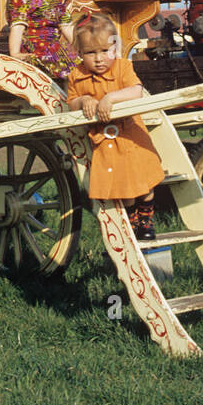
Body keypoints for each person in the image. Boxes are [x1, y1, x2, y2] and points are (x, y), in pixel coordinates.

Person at [66, 13, 164, 240]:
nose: (99, 59)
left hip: (131, 136)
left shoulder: (122, 67)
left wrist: (110, 98)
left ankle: (147, 220)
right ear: (80, 53)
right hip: (106, 140)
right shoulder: (77, 76)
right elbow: (72, 103)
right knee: (124, 187)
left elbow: (135, 91)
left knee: (144, 182)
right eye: (90, 53)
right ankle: (132, 221)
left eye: (104, 51)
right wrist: (84, 101)